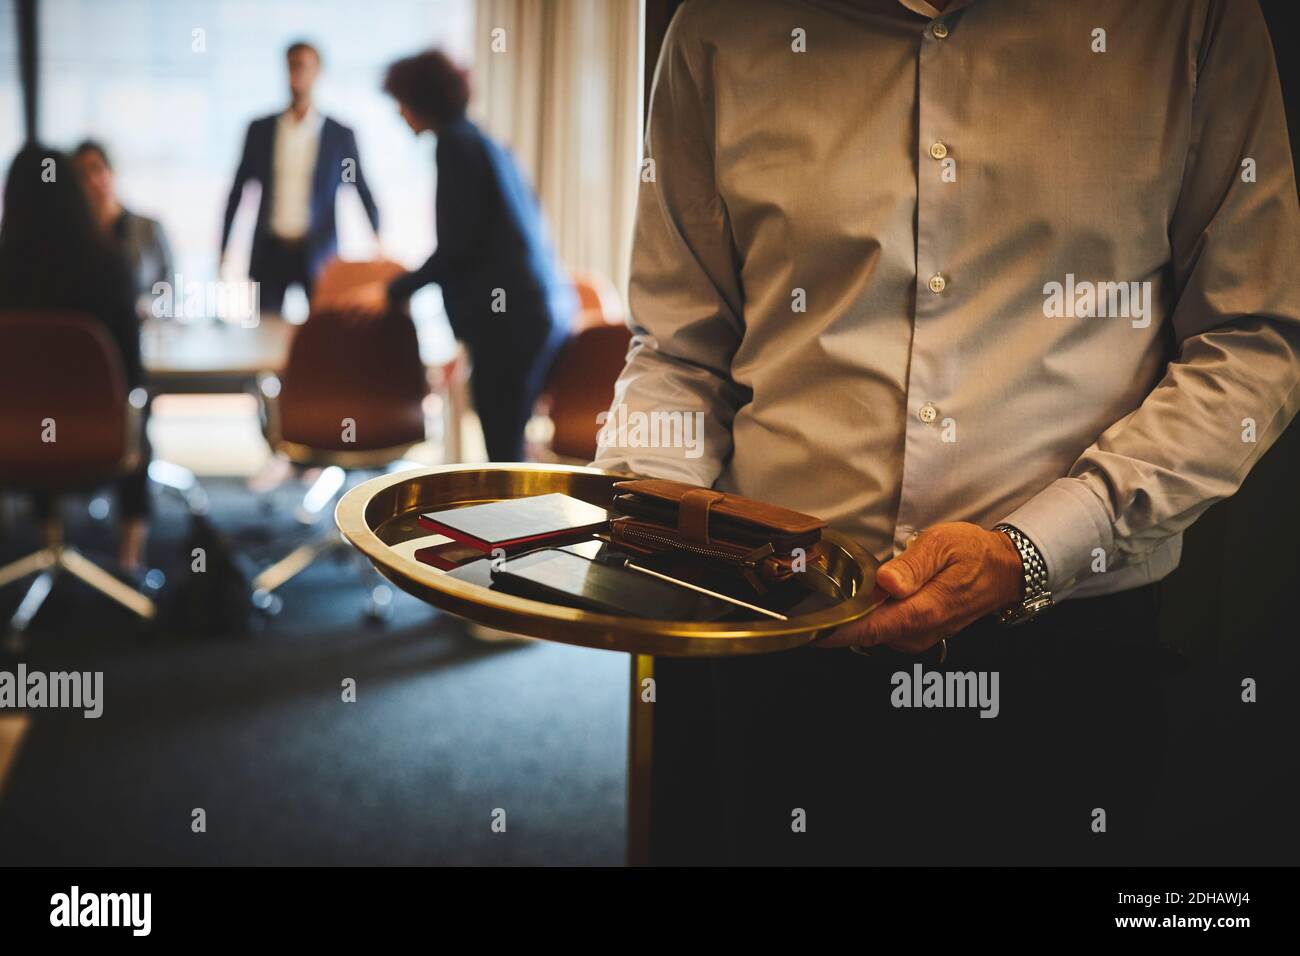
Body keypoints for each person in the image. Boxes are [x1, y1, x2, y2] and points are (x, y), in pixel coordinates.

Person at [594, 0, 1300, 865]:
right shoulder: (721, 27)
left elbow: (1254, 340)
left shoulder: (1194, 18)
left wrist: (1037, 548)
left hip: (1067, 667)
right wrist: (646, 514)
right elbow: (678, 345)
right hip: (775, 646)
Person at [375, 50, 575, 462]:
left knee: (503, 454)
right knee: (510, 447)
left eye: (402, 102)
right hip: (540, 312)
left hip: (511, 325)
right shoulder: (485, 143)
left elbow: (455, 247)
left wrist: (393, 291)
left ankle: (514, 526)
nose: (399, 113)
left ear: (421, 99)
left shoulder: (453, 145)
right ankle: (519, 523)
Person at [0, 146, 152, 572]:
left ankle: (46, 537)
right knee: (140, 411)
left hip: (14, 439)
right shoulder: (109, 267)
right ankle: (129, 556)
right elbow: (133, 375)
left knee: (37, 408)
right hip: (100, 437)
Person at [220, 40, 381, 314]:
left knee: (323, 334)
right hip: (270, 252)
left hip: (318, 253)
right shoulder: (260, 131)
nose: (297, 74)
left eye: (304, 67)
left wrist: (378, 244)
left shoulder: (339, 136)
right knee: (265, 332)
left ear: (318, 72)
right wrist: (224, 249)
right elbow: (238, 190)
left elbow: (360, 188)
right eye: (292, 66)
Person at [71, 140, 174, 315]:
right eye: (82, 175)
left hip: (145, 330)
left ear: (111, 171)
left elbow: (170, 295)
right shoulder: (74, 236)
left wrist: (145, 307)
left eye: (97, 169)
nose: (92, 181)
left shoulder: (149, 228)